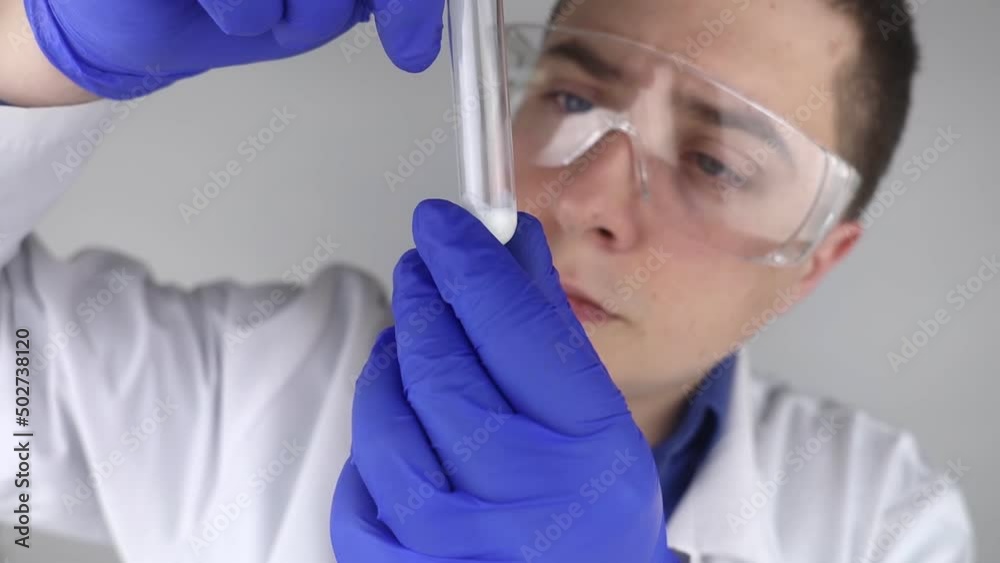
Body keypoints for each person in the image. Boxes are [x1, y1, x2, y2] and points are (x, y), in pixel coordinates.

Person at [0, 0, 975, 561]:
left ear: (814, 264)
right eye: (571, 94)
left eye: (716, 162)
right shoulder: (239, 392)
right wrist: (31, 51)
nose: (592, 189)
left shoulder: (880, 518)